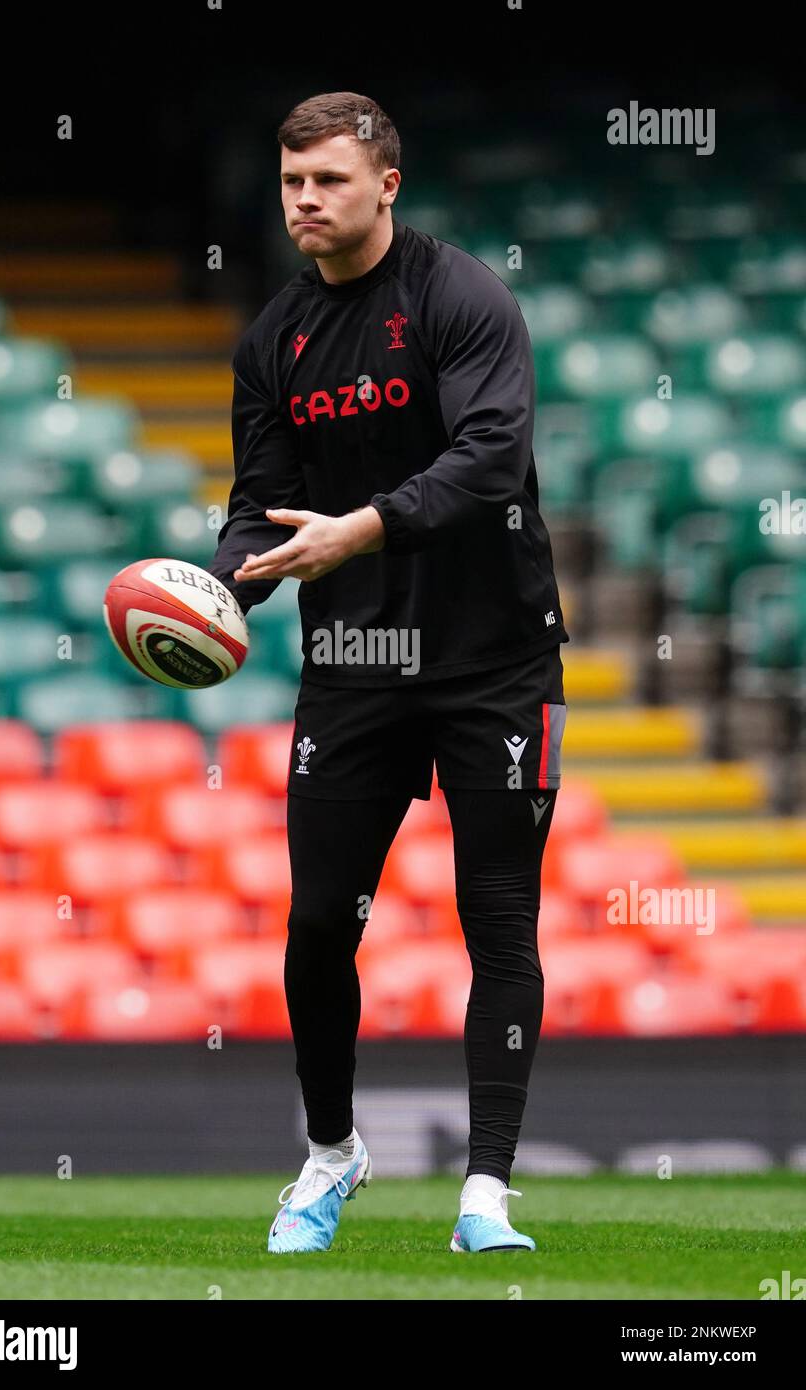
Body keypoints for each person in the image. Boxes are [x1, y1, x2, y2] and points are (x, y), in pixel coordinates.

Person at [209, 90, 569, 1254]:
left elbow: (489, 462)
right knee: (319, 923)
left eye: (327, 181)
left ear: (386, 185)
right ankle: (329, 1155)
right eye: (290, 182)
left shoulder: (460, 298)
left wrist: (356, 529)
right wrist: (210, 598)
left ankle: (485, 1193)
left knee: (498, 921)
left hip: (495, 656)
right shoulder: (273, 340)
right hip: (358, 657)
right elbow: (254, 516)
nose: (305, 201)